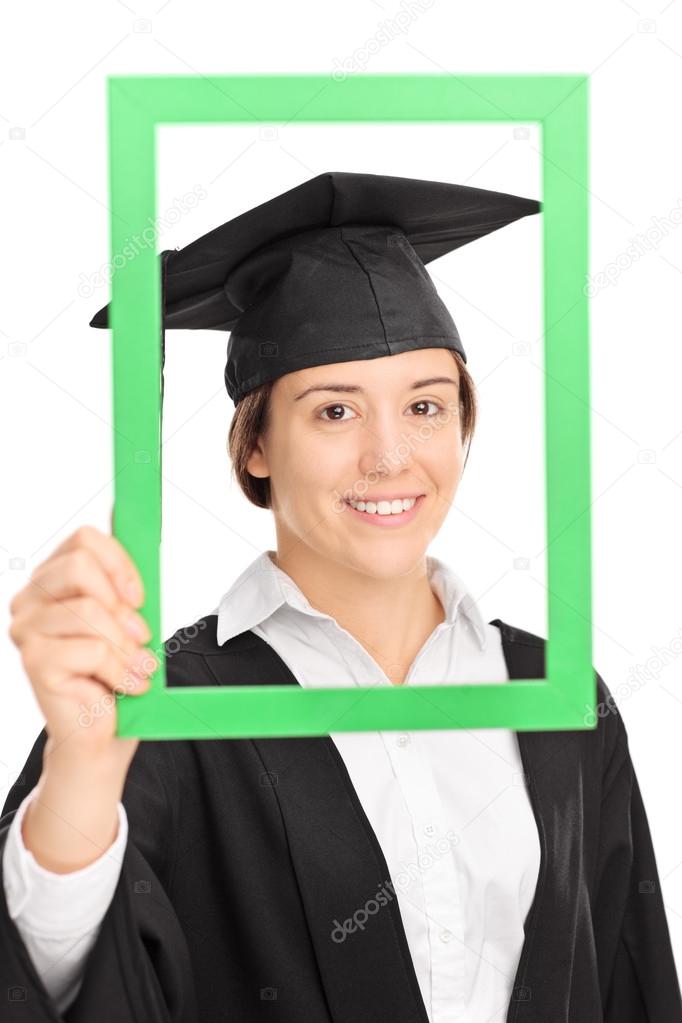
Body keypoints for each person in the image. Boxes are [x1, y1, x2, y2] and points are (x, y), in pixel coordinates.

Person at [1, 171, 680, 1022]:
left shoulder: (560, 694)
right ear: (255, 444)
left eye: (426, 406)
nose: (391, 456)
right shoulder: (164, 707)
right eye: (334, 412)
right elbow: (52, 975)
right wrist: (79, 775)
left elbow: (629, 976)